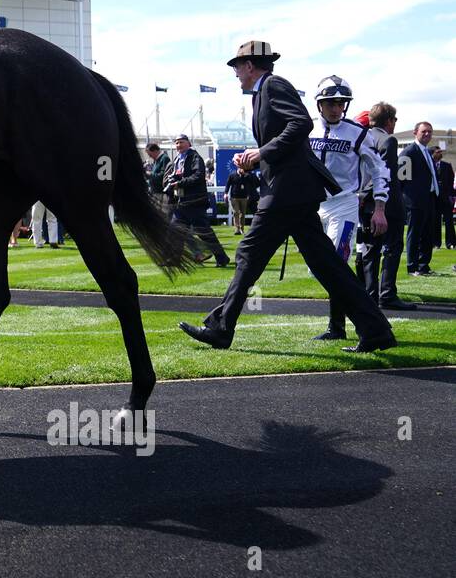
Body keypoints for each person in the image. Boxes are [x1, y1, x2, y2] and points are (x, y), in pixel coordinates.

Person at [178, 41, 395, 353]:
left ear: (250, 65)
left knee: (249, 255)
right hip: (293, 191)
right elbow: (287, 139)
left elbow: (301, 123)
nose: (236, 74)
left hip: (287, 193)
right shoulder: (264, 92)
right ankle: (375, 330)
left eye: (237, 68)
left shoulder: (274, 85)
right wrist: (253, 160)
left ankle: (221, 328)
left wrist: (261, 152)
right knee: (326, 264)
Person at [306, 75, 389, 341]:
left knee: (337, 264)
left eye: (341, 102)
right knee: (319, 267)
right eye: (330, 102)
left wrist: (379, 208)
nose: (336, 107)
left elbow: (379, 171)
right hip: (312, 206)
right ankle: (343, 323)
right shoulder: (306, 130)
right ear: (319, 104)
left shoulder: (358, 133)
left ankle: (339, 327)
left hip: (343, 204)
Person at [355, 104, 413, 311]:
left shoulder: (361, 137)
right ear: (389, 121)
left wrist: (360, 195)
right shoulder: (388, 140)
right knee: (392, 249)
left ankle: (370, 294)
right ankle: (386, 293)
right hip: (386, 205)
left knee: (370, 250)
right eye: (394, 120)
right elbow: (383, 173)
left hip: (364, 203)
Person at [164, 134, 229, 268]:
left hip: (194, 203)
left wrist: (180, 183)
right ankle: (174, 259)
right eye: (176, 143)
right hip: (181, 203)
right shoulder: (177, 159)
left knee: (204, 232)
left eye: (181, 142)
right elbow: (178, 175)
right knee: (177, 231)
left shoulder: (194, 157)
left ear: (189, 144)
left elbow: (198, 176)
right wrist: (173, 182)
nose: (178, 145)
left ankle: (222, 258)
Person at [400, 122, 440, 276]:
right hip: (414, 200)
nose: (427, 134)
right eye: (424, 131)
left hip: (429, 198)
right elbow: (400, 179)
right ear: (415, 132)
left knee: (427, 234)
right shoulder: (409, 152)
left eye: (430, 132)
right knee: (414, 234)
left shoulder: (427, 151)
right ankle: (412, 267)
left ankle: (424, 266)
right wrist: (406, 198)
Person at [224, 161, 256, 235]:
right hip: (234, 197)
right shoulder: (232, 175)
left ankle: (242, 229)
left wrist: (246, 175)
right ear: (238, 168)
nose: (243, 170)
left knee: (243, 214)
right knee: (236, 212)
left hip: (244, 197)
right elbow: (228, 184)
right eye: (242, 169)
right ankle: (237, 229)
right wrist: (225, 193)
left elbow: (252, 184)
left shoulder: (247, 176)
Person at [434, 147, 454, 249]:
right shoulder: (430, 166)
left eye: (440, 152)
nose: (440, 153)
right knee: (436, 221)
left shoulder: (447, 166)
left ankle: (450, 243)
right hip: (435, 198)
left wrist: (452, 196)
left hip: (446, 198)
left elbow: (451, 182)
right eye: (438, 152)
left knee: (449, 221)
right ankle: (436, 243)